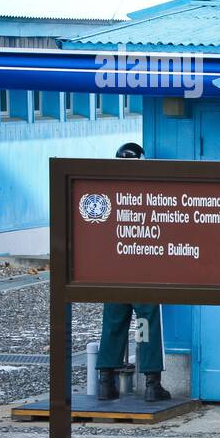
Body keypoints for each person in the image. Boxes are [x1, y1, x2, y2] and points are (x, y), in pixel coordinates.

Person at [96, 142, 170, 403]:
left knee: (114, 322)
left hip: (114, 269)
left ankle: (105, 381)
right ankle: (152, 383)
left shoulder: (106, 189)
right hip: (143, 269)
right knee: (145, 323)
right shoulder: (147, 190)